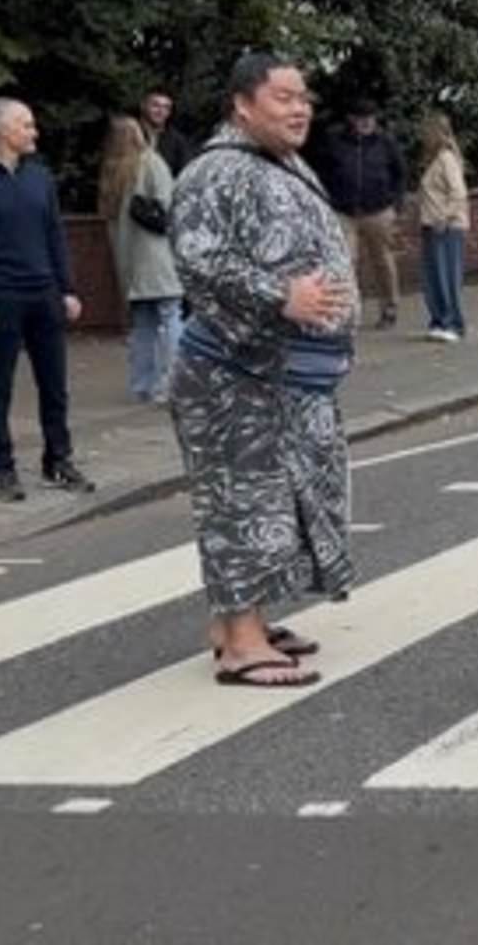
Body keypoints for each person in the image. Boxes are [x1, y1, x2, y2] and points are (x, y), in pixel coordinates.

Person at [169, 52, 356, 688]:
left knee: (271, 498)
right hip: (232, 371)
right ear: (242, 104)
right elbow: (197, 259)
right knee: (239, 500)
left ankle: (237, 624)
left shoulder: (280, 164)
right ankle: (242, 645)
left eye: (304, 96)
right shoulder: (215, 171)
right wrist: (281, 295)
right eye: (283, 97)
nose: (299, 107)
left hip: (278, 375)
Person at [0, 98, 94, 501]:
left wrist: (68, 288)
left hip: (43, 293)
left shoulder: (40, 178)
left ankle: (58, 460)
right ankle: (0, 468)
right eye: (26, 125)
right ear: (1, 131)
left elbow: (55, 234)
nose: (34, 132)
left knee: (54, 384)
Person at [96, 115, 182, 402]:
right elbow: (169, 204)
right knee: (170, 316)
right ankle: (170, 383)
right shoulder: (151, 162)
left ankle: (141, 384)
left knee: (142, 323)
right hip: (157, 257)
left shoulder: (111, 171)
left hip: (129, 261)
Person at [319, 98, 405, 330]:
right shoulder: (335, 141)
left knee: (383, 261)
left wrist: (395, 205)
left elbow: (400, 173)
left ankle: (389, 308)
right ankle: (348, 312)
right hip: (344, 211)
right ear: (351, 119)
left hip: (378, 211)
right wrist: (328, 201)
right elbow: (323, 172)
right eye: (361, 119)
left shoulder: (385, 142)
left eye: (370, 118)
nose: (367, 123)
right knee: (346, 262)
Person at [416, 113, 469, 342]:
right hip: (431, 226)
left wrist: (444, 217)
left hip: (446, 227)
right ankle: (438, 320)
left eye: (426, 132)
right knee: (433, 277)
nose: (423, 137)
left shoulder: (446, 158)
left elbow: (459, 192)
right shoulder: (435, 159)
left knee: (446, 276)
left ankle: (454, 324)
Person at [140, 89, 194, 177]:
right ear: (143, 106)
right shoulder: (129, 135)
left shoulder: (177, 142)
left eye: (166, 107)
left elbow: (186, 173)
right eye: (155, 105)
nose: (160, 111)